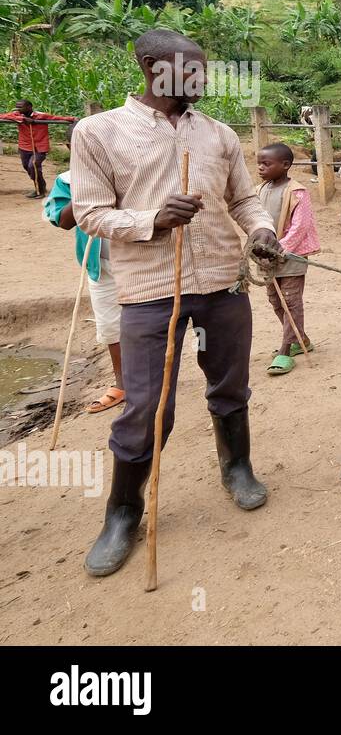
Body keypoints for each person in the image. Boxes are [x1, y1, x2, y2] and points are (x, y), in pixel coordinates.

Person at [71, 29, 282, 578]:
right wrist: (151, 220)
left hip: (222, 285)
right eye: (191, 70)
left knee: (231, 386)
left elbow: (244, 199)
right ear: (149, 66)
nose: (203, 79)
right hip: (148, 292)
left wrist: (261, 231)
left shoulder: (219, 135)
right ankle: (122, 511)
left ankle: (236, 468)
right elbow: (90, 213)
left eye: (204, 70)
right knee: (146, 406)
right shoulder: (98, 132)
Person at [44, 172, 125, 414]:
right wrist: (85, 188)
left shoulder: (127, 162)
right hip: (99, 264)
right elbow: (62, 220)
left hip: (140, 260)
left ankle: (155, 379)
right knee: (111, 325)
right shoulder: (67, 181)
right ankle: (123, 384)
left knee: (151, 319)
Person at [255, 143, 322, 376]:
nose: (261, 168)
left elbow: (300, 227)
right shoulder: (259, 190)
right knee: (275, 300)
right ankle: (300, 339)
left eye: (266, 164)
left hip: (291, 256)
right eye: (259, 164)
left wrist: (280, 249)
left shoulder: (297, 192)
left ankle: (285, 349)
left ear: (285, 165)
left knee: (290, 301)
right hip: (266, 257)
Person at [1, 100, 78, 198]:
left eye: (21, 107)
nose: (18, 109)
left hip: (40, 147)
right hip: (24, 146)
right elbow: (4, 116)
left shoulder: (41, 116)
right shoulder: (17, 114)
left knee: (33, 165)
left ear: (29, 107)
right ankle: (40, 184)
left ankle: (40, 191)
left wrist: (73, 119)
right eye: (17, 107)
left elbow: (57, 118)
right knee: (27, 167)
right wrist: (21, 118)